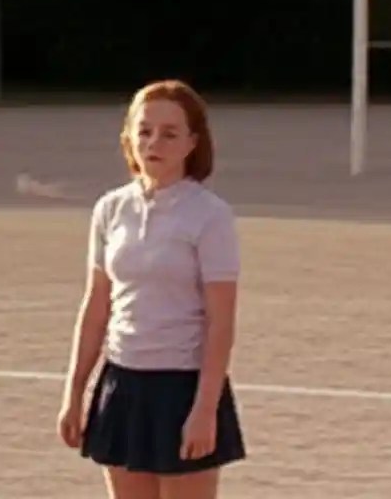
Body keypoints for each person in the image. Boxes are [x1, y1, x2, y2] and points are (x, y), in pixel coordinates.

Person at [57, 79, 246, 499]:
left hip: (182, 387)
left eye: (169, 133)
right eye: (144, 131)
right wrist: (74, 394)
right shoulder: (111, 209)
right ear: (128, 137)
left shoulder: (210, 216)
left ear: (192, 143)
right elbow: (96, 308)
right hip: (122, 384)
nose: (153, 142)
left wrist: (204, 409)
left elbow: (220, 323)